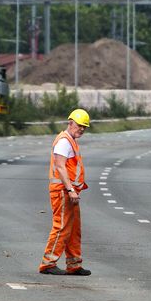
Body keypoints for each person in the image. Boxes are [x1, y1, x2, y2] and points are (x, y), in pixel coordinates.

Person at [39, 108, 92, 276]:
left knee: (74, 228)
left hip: (71, 192)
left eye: (85, 127)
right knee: (61, 226)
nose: (82, 129)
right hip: (63, 191)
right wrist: (70, 189)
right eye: (79, 125)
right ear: (70, 123)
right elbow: (60, 167)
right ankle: (48, 264)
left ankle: (74, 264)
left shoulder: (71, 140)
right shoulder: (63, 141)